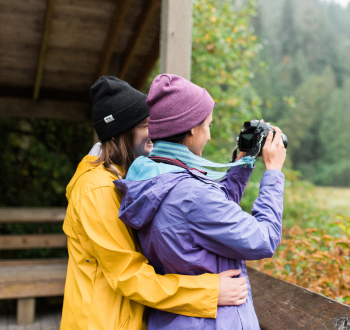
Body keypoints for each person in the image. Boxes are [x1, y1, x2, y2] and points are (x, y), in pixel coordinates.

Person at [60, 76, 250, 330]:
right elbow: (128, 275)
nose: (156, 132)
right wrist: (209, 291)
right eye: (147, 125)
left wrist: (241, 164)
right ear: (121, 133)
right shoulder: (97, 190)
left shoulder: (129, 177)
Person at [115, 74, 286, 330]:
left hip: (172, 319)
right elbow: (264, 239)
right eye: (208, 125)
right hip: (211, 321)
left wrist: (244, 160)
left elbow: (213, 215)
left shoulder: (151, 179)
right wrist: (273, 172)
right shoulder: (191, 194)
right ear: (192, 128)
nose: (208, 136)